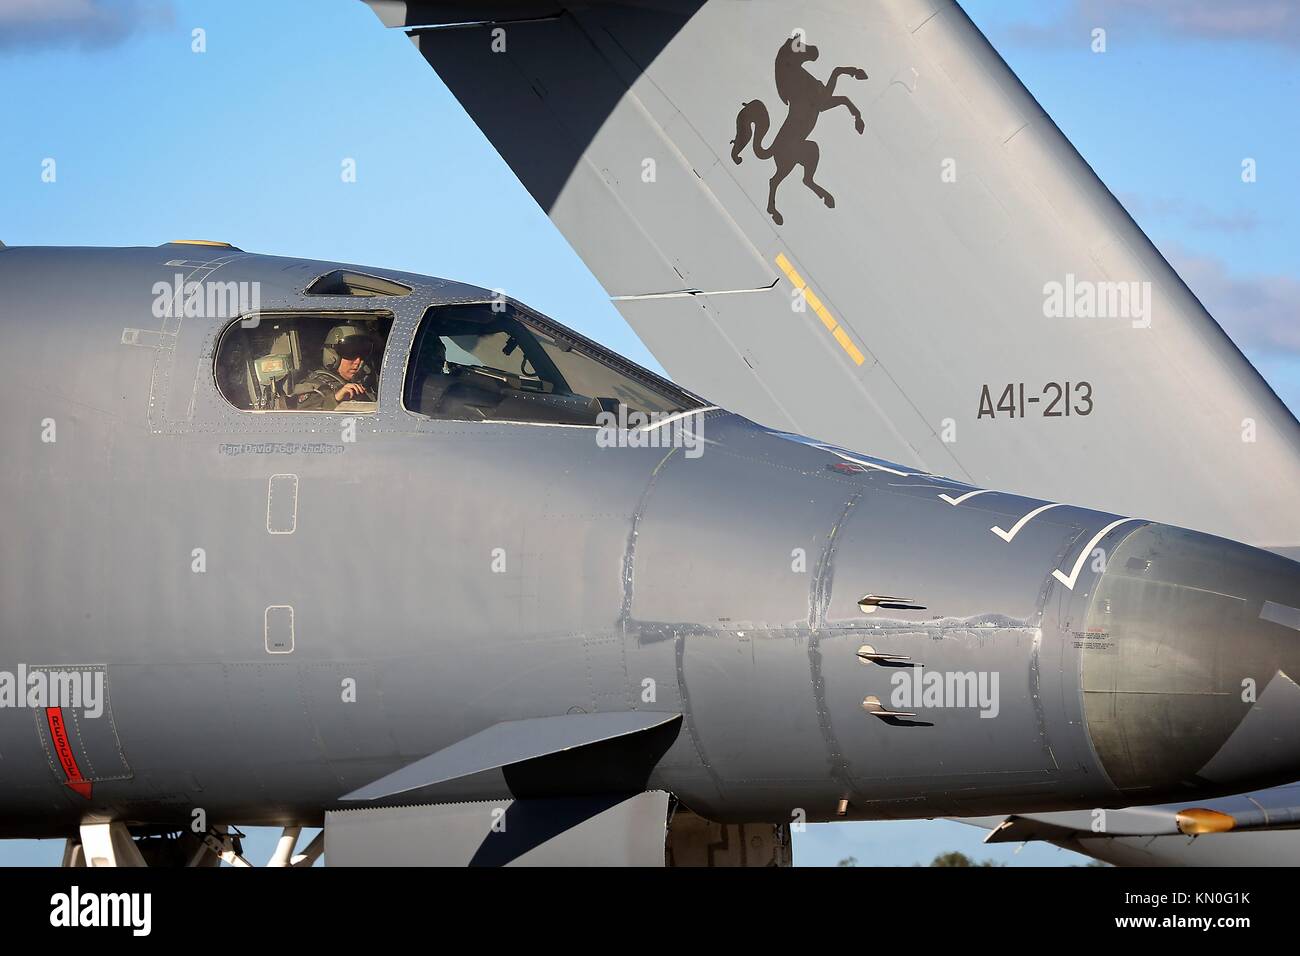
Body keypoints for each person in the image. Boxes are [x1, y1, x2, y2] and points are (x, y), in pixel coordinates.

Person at [293, 324, 379, 410]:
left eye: (362, 354)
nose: (358, 361)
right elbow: (306, 418)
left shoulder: (368, 382)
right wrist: (336, 399)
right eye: (350, 353)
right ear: (333, 356)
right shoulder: (315, 388)